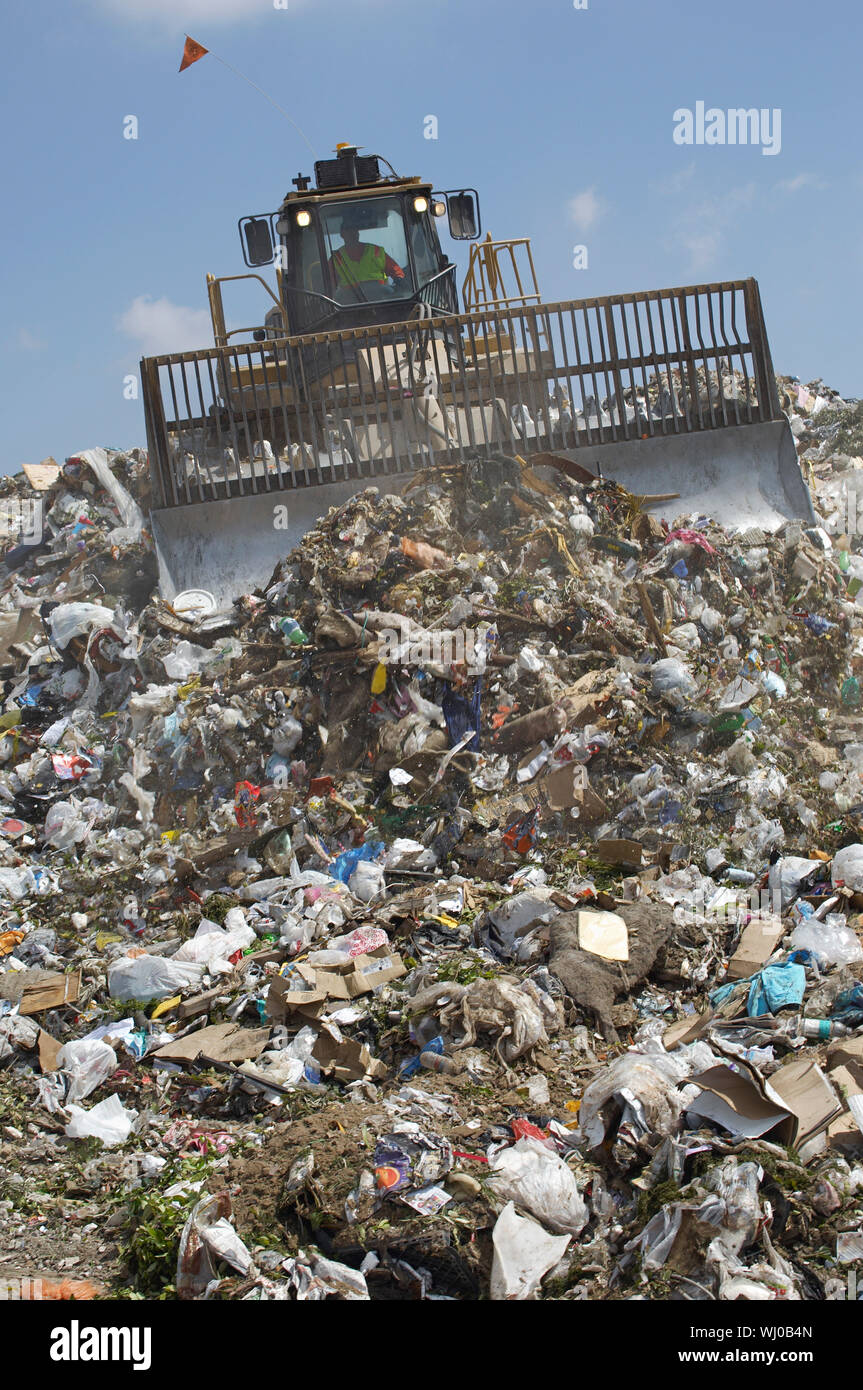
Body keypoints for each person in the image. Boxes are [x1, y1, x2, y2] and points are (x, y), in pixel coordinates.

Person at [329, 210, 405, 292]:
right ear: (342, 234)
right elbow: (329, 283)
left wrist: (399, 281)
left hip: (381, 298)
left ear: (358, 233)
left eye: (354, 230)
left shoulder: (377, 251)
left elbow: (397, 272)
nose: (352, 233)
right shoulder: (336, 258)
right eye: (348, 230)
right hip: (350, 302)